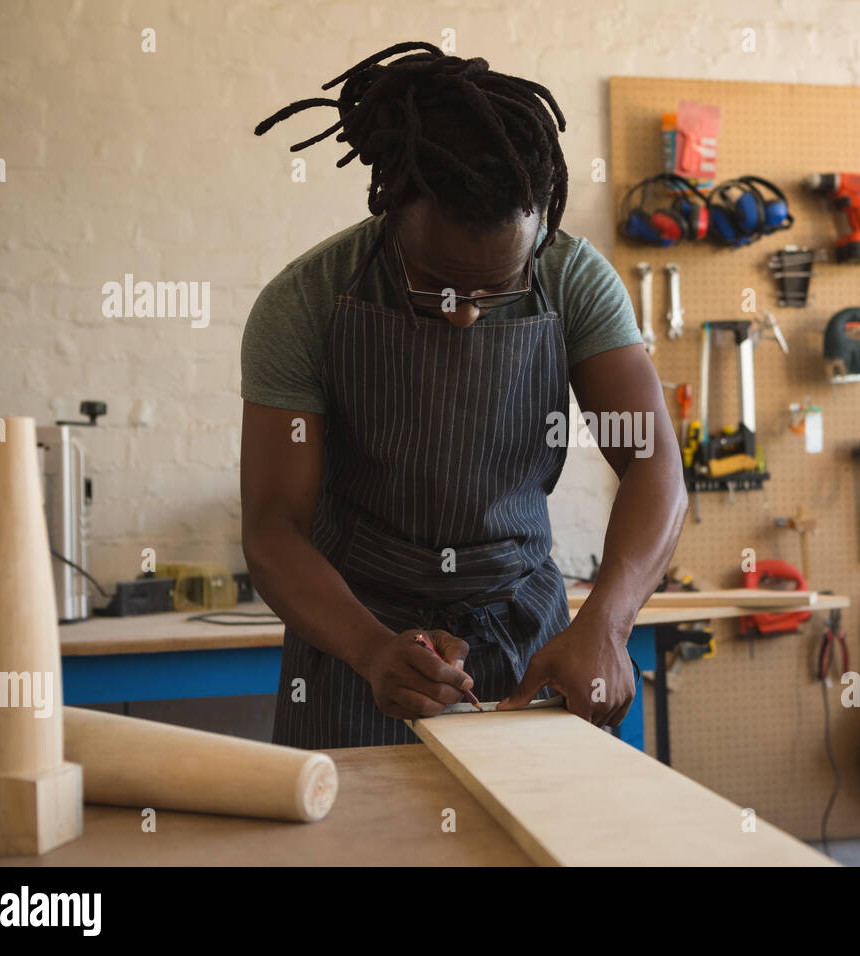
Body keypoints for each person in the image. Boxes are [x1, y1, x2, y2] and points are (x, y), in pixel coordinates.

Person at [240, 42, 687, 747]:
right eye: (436, 284)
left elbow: (655, 465)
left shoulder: (575, 280)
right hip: (359, 639)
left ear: (537, 223)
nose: (465, 314)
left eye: (496, 289)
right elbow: (273, 529)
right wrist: (370, 648)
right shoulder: (308, 302)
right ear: (392, 211)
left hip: (525, 635)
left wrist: (606, 621)